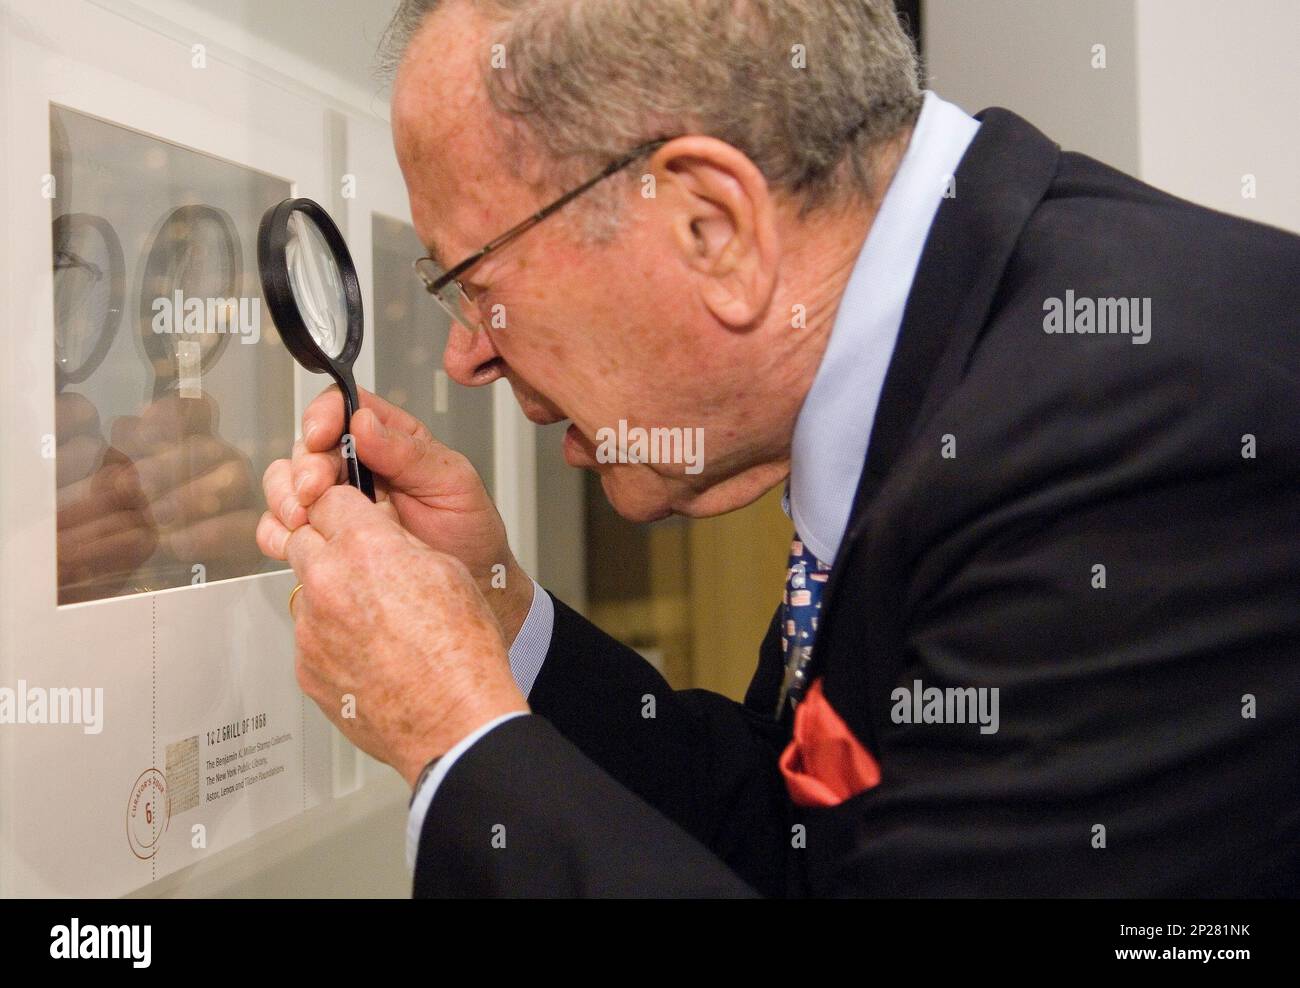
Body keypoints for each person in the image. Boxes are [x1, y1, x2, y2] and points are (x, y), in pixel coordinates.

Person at [255, 0, 1300, 896]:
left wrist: (457, 729)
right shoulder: (939, 373)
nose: (467, 355)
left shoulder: (1131, 437)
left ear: (712, 225)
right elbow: (810, 848)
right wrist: (497, 617)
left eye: (477, 283)